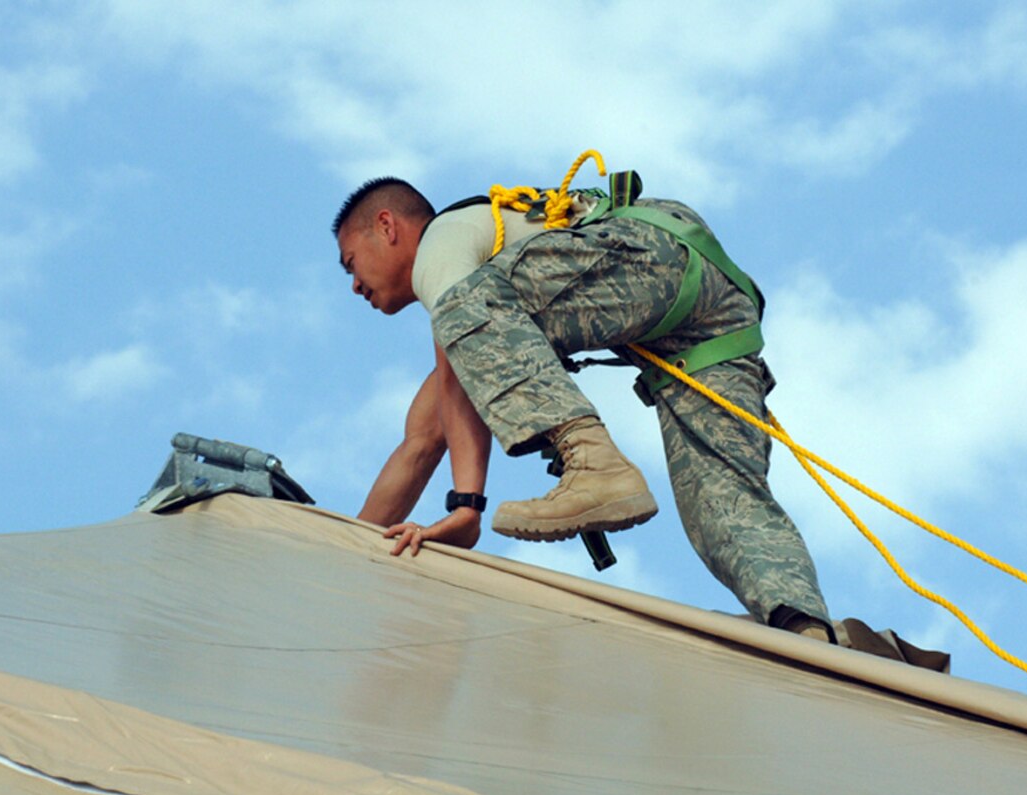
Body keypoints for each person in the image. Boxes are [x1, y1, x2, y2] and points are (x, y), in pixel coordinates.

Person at [333, 174, 834, 641]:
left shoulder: (443, 244)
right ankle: (802, 624)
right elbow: (424, 439)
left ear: (386, 226)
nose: (354, 286)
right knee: (722, 495)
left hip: (645, 254)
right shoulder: (478, 319)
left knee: (465, 314)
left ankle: (596, 467)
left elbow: (465, 326)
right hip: (711, 310)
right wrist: (341, 555)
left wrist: (467, 507)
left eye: (352, 263)